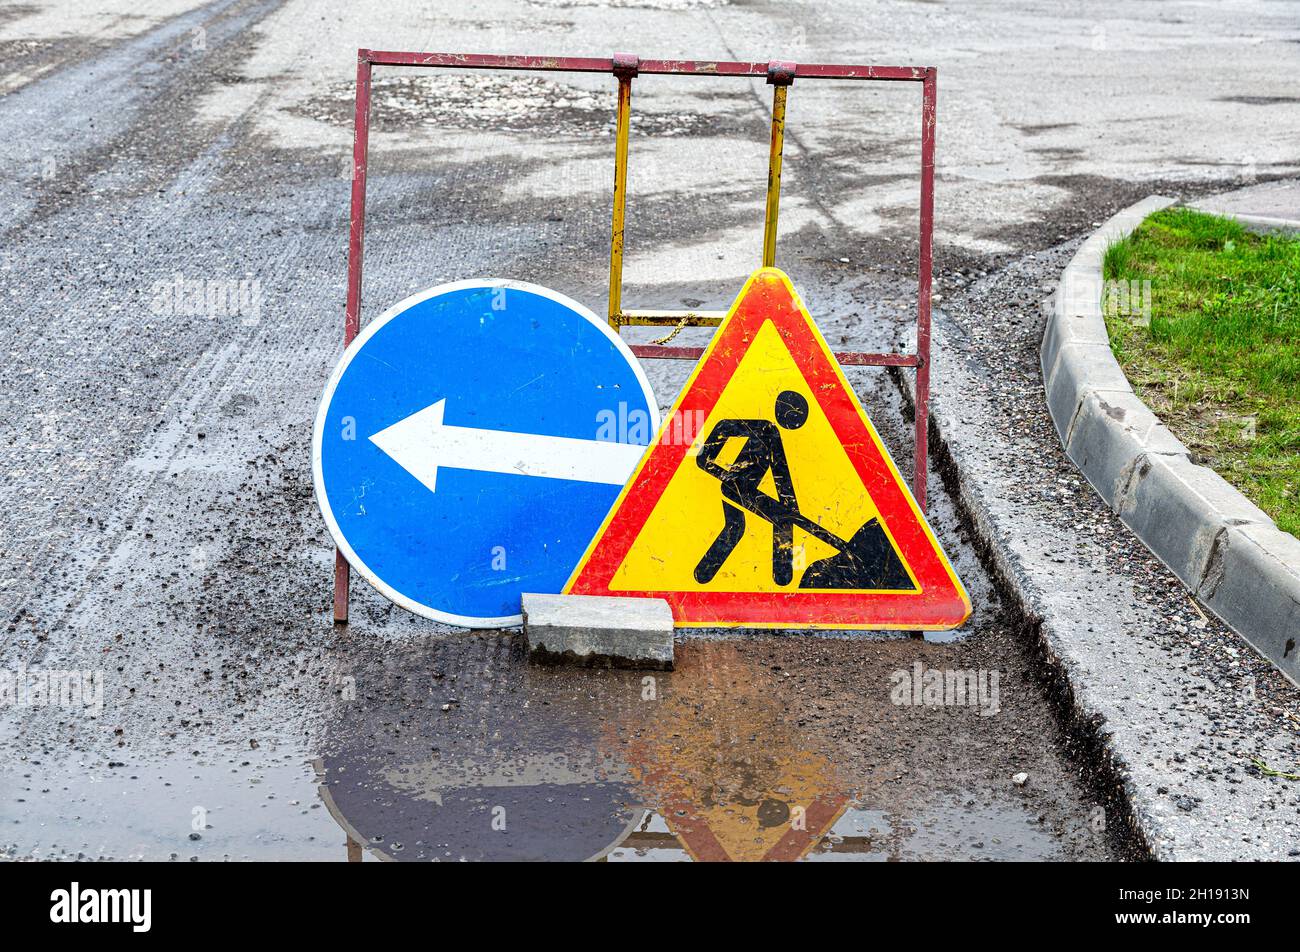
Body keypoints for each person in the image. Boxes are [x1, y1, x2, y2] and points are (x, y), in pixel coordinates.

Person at [693, 390, 809, 585]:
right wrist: (727, 476)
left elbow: (781, 473)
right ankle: (702, 576)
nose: (793, 422)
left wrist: (790, 506)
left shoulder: (772, 432)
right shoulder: (747, 425)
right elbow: (702, 458)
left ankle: (783, 579)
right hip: (732, 490)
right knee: (735, 527)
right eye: (793, 415)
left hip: (749, 493)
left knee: (781, 523)